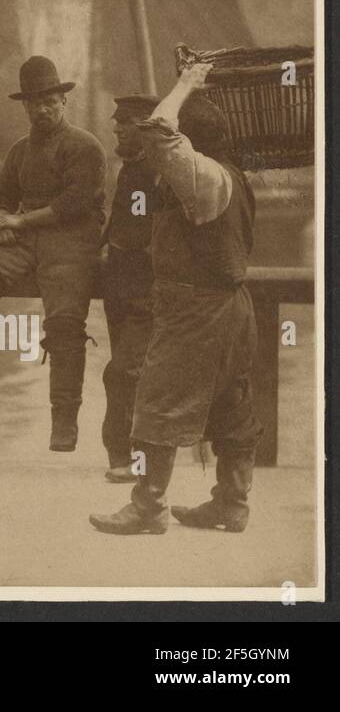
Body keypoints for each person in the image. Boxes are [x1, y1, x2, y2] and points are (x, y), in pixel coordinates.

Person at [91, 63, 261, 535]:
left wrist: (186, 84)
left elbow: (161, 132)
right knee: (231, 405)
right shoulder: (234, 176)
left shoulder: (203, 176)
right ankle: (231, 504)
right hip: (231, 310)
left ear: (196, 141)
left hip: (195, 312)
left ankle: (148, 507)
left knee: (155, 404)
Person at [0, 55, 106, 452]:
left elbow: (76, 203)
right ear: (25, 107)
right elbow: (1, 196)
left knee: (63, 324)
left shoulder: (85, 146)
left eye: (50, 101)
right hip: (26, 237)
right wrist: (0, 218)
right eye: (34, 103)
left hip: (72, 239)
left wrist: (21, 223)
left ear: (64, 102)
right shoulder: (19, 150)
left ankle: (64, 421)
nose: (42, 109)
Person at [100, 94, 160, 483]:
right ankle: (126, 461)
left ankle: (132, 459)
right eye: (118, 122)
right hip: (118, 284)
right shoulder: (129, 170)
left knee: (124, 372)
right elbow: (121, 222)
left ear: (145, 128)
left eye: (126, 123)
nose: (118, 128)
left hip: (149, 288)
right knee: (127, 373)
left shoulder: (160, 171)